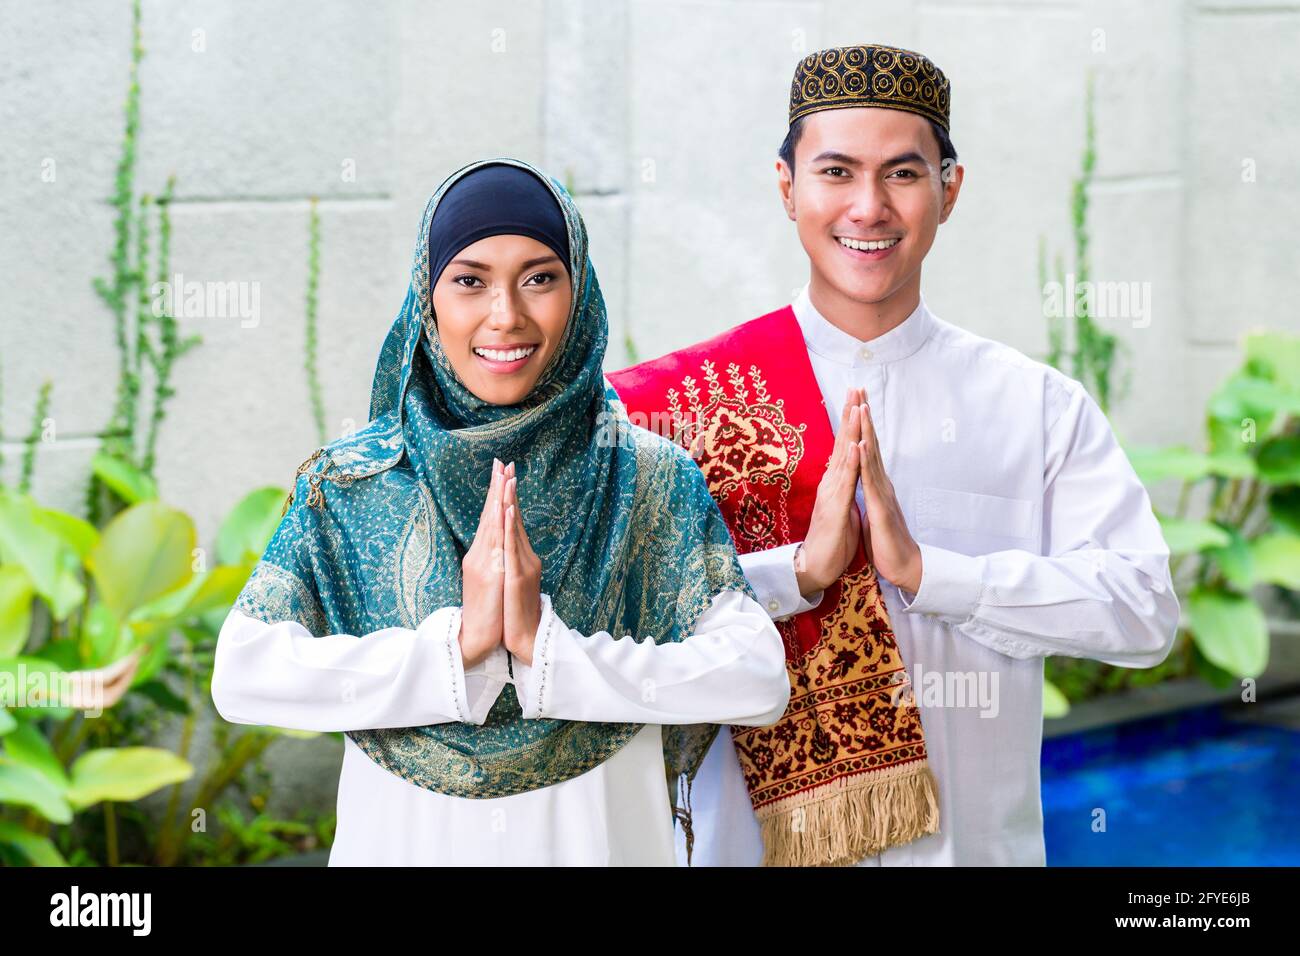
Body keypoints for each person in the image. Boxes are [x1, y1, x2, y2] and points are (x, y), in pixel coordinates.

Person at [608, 43, 1179, 867]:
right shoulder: (677, 411)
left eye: (903, 174)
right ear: (786, 186)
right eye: (836, 172)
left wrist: (932, 576)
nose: (868, 207)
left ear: (949, 189)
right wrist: (794, 575)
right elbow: (619, 622)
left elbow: (1144, 609)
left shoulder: (1033, 405)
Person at [210, 158, 790, 866]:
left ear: (579, 292)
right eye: (470, 280)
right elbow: (243, 673)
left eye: (540, 277)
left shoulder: (644, 476)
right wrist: (454, 651)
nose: (506, 314)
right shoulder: (355, 482)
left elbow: (756, 678)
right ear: (428, 297)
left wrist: (553, 656)